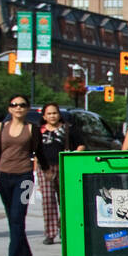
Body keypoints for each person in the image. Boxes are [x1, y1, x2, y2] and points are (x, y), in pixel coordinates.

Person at [0, 97, 47, 256]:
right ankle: (24, 252)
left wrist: (46, 172)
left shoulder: (32, 129)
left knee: (18, 216)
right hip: (4, 176)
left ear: (27, 109)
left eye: (22, 105)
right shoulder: (0, 127)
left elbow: (39, 152)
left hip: (25, 177)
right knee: (12, 216)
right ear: (9, 109)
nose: (18, 108)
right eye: (14, 105)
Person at [36, 102, 84, 244]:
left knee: (65, 199)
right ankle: (50, 233)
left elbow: (81, 145)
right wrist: (34, 171)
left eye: (55, 113)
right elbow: (35, 152)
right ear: (44, 116)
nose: (52, 116)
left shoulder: (68, 129)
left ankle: (64, 228)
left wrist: (75, 154)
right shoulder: (39, 131)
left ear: (59, 114)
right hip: (45, 168)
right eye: (49, 113)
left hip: (64, 166)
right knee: (48, 200)